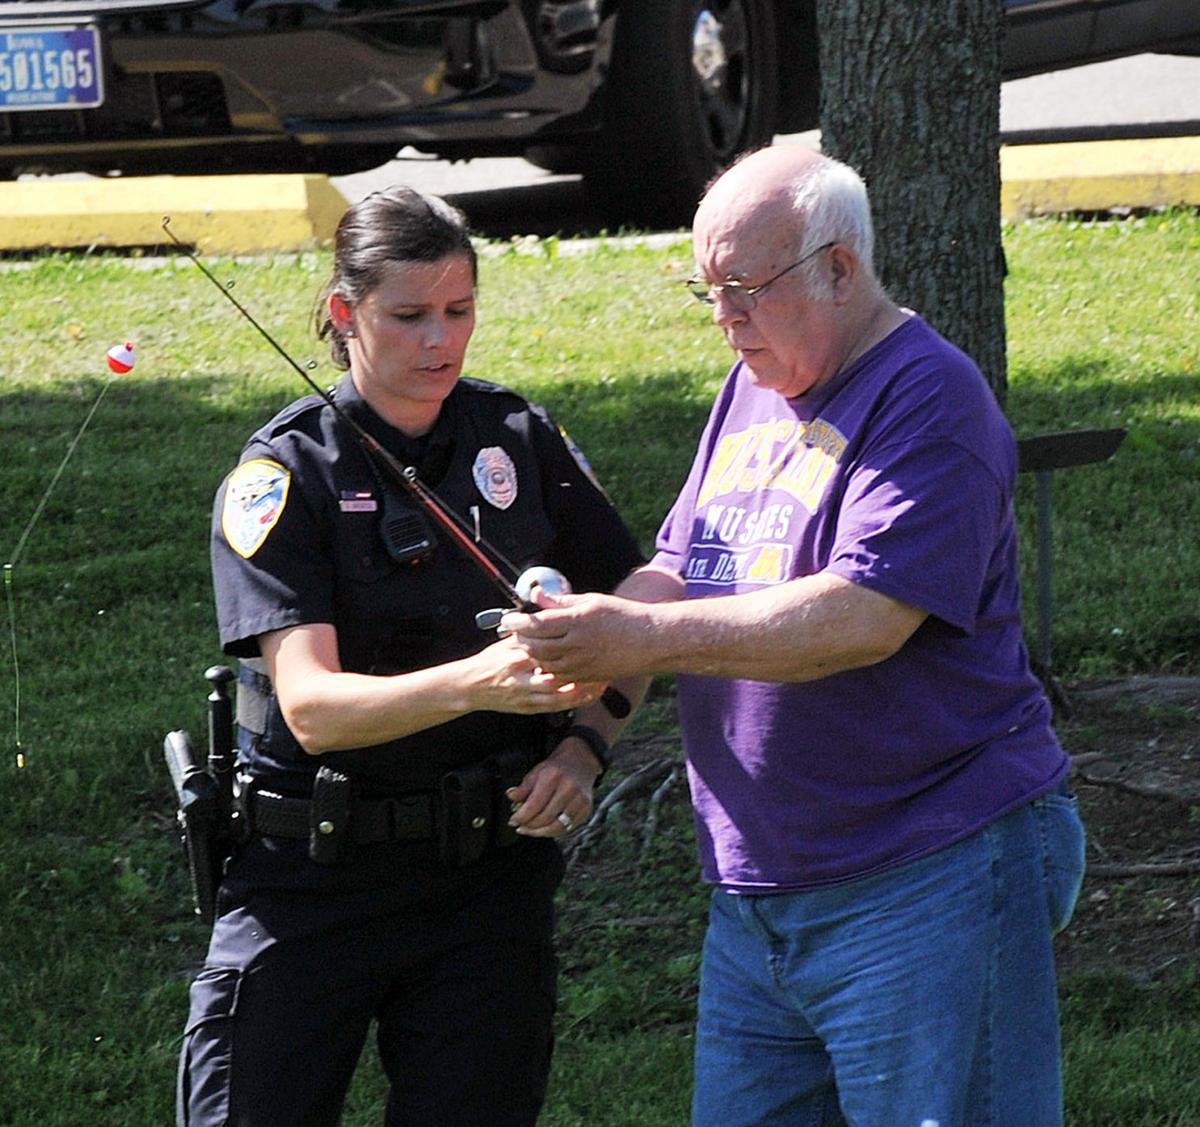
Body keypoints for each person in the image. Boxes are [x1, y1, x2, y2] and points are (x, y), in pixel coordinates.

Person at [507, 145, 1086, 1127]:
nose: (727, 321)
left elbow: (859, 618)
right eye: (709, 294)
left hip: (928, 864)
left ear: (839, 267)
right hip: (760, 891)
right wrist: (576, 641)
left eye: (746, 289)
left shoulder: (930, 399)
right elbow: (681, 561)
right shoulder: (758, 383)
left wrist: (637, 635)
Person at [176, 186, 645, 1127]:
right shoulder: (286, 470)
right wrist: (483, 682)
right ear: (347, 314)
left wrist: (582, 746)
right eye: (410, 315)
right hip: (312, 879)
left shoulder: (517, 436)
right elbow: (312, 705)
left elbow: (637, 608)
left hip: (485, 881)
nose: (442, 340)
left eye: (460, 311)